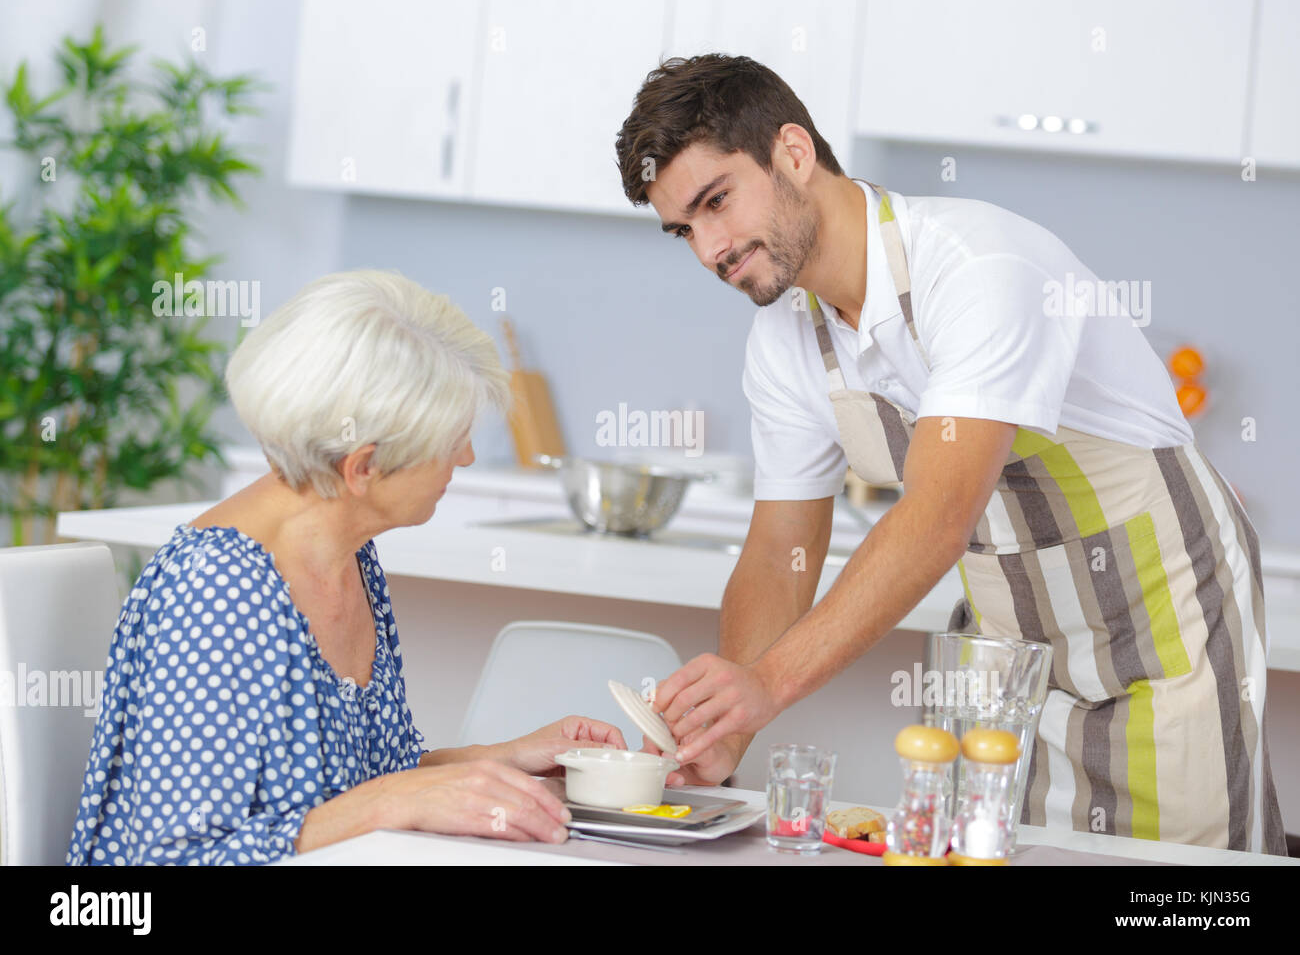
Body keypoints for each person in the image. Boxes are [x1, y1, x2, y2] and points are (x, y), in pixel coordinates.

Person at [615, 54, 1286, 854]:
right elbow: (778, 551)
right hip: (1013, 649)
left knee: (1172, 887)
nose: (709, 250)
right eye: (683, 229)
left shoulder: (975, 268)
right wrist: (725, 730)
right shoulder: (786, 338)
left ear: (793, 152)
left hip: (1159, 621)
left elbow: (936, 518)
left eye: (716, 202)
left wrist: (768, 684)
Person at [67, 270, 625, 865]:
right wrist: (391, 799)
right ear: (362, 469)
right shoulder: (215, 590)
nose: (464, 456)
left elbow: (367, 781)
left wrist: (502, 756)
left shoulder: (350, 554)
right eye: (453, 440)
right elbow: (174, 861)